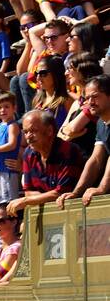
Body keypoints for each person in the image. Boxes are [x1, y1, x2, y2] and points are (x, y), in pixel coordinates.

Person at [9, 109, 85, 219]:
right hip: (47, 216)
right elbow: (28, 191)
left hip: (73, 215)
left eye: (33, 131)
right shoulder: (28, 154)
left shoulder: (68, 151)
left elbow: (62, 193)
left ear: (49, 131)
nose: (28, 136)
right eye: (25, 132)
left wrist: (27, 200)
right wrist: (42, 197)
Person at [58, 75, 110, 208]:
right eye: (87, 98)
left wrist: (101, 188)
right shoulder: (101, 123)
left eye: (95, 96)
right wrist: (76, 193)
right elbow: (95, 159)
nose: (90, 102)